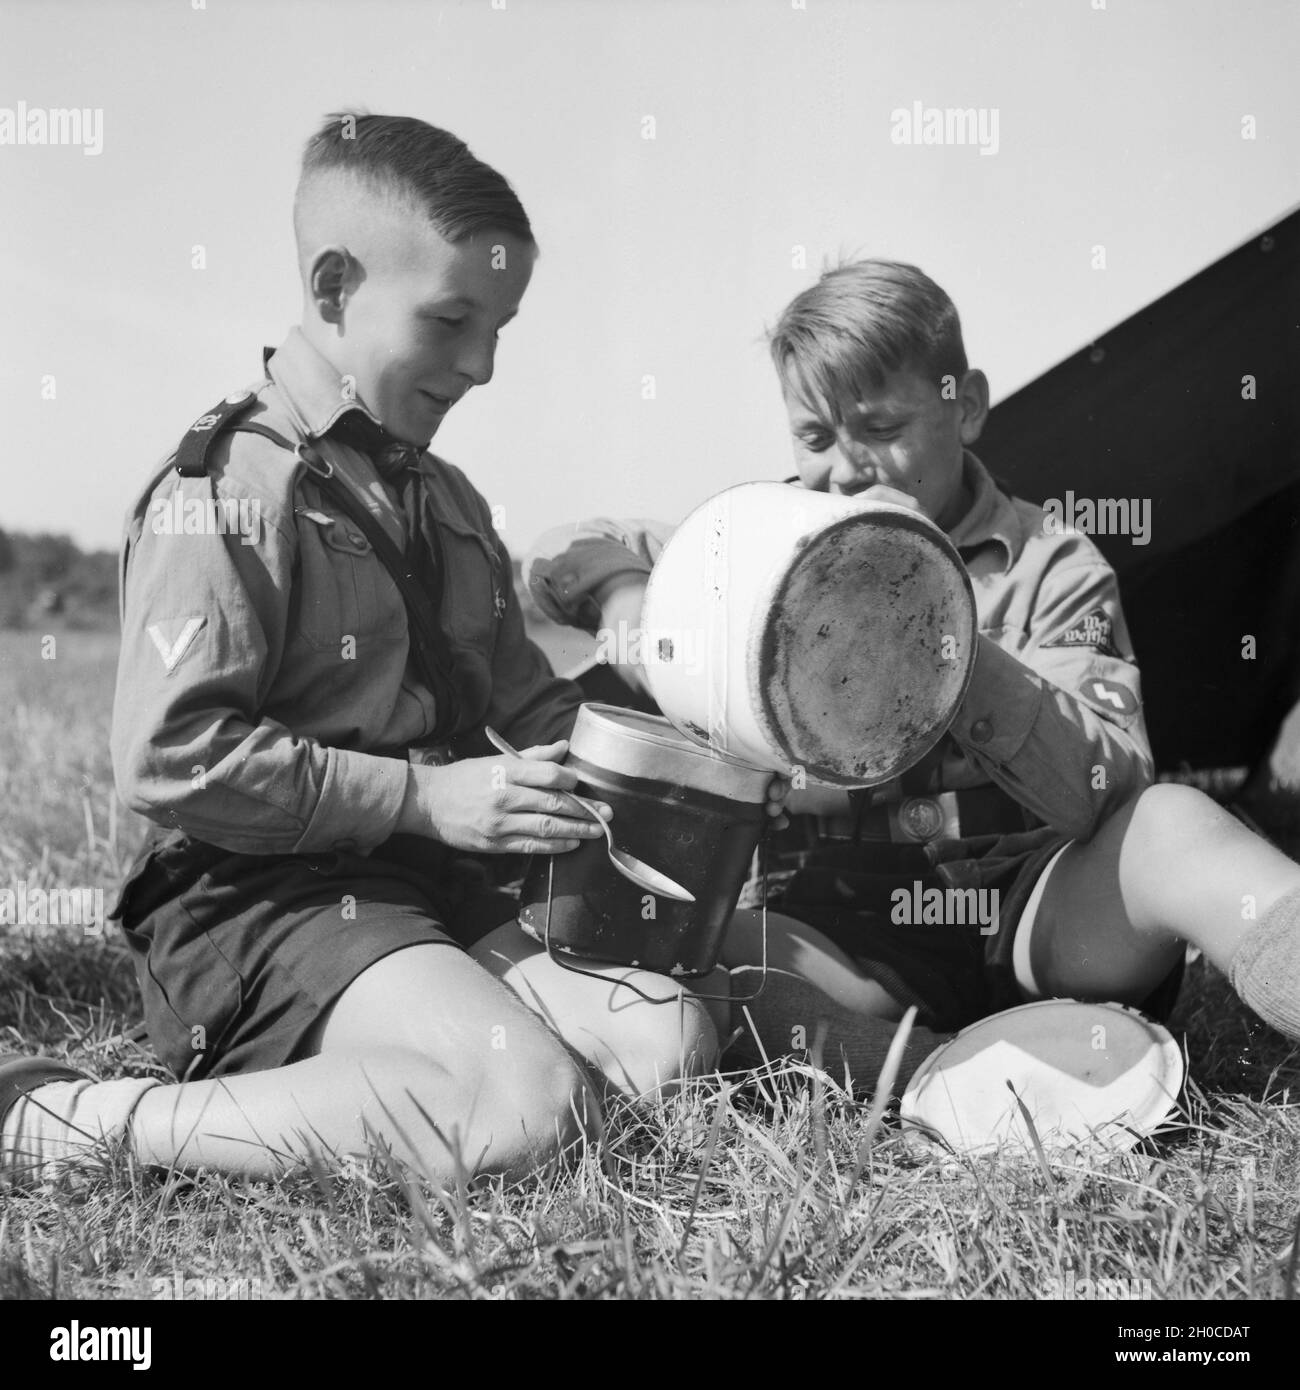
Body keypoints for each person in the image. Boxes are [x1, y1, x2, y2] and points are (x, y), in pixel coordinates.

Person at [0, 112, 780, 1190]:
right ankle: (64, 1120)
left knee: (663, 1045)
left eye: (501, 327)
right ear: (331, 290)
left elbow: (529, 707)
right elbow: (173, 758)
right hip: (256, 893)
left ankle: (395, 1063)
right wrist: (426, 801)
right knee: (529, 1107)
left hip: (424, 880)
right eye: (453, 319)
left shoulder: (447, 498)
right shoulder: (222, 488)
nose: (483, 363)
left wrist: (704, 767)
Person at [527, 259, 1300, 1080]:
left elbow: (1111, 786)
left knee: (1175, 823)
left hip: (1039, 910)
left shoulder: (1054, 560)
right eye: (816, 437)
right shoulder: (759, 540)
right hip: (843, 926)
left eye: (883, 429)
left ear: (964, 406)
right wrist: (626, 596)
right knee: (688, 946)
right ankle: (947, 1078)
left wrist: (935, 644)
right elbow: (559, 551)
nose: (847, 470)